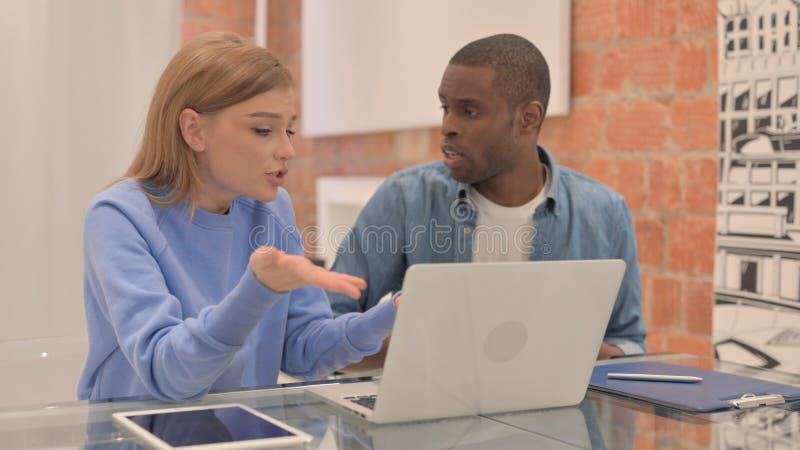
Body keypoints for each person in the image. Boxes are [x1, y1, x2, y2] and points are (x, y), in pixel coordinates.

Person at [77, 32, 396, 402]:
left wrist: (392, 314)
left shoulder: (273, 209)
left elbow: (302, 353)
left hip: (242, 435)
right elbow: (168, 374)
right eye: (263, 130)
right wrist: (257, 289)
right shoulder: (118, 216)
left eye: (288, 129)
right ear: (194, 130)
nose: (288, 149)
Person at [328, 34, 646, 370]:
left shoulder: (605, 212)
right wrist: (435, 346)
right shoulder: (407, 197)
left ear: (528, 118)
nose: (448, 126)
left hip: (557, 418)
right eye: (445, 108)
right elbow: (323, 334)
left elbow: (630, 344)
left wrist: (567, 348)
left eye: (469, 111)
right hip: (433, 417)